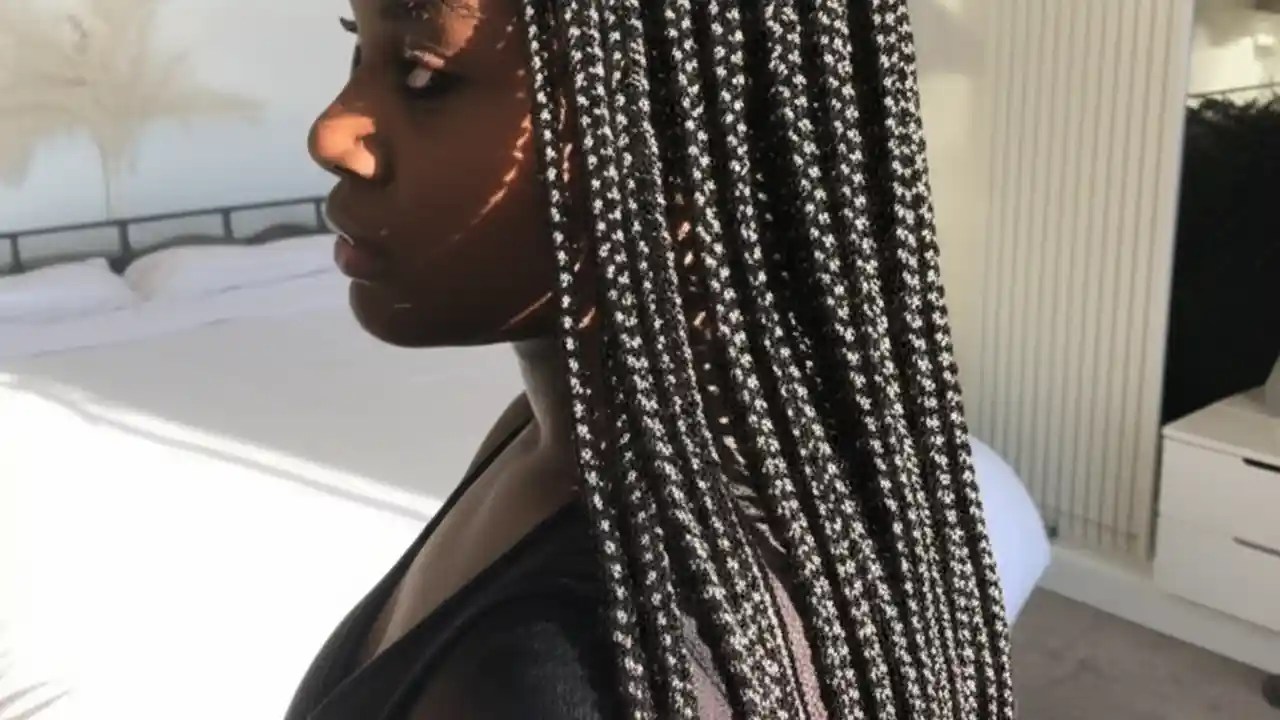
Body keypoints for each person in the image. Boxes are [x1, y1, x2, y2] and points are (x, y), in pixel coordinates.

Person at [289, 0, 1014, 717]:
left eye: (423, 74)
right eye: (360, 48)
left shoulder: (570, 671)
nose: (330, 134)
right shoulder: (550, 435)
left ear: (684, 139)